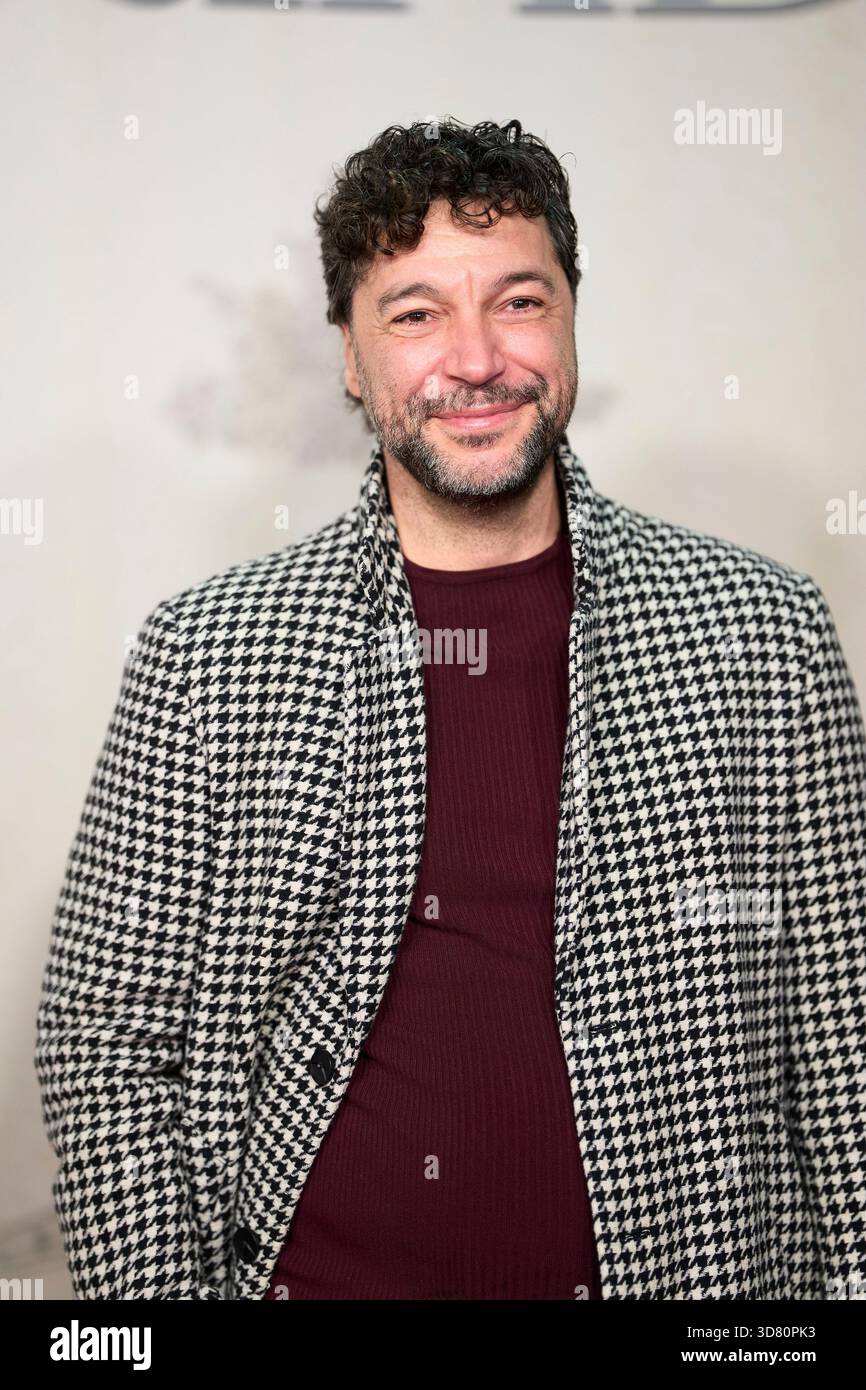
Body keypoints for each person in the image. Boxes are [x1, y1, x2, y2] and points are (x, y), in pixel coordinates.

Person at [34, 117, 865, 1301]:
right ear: (350, 356)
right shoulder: (206, 654)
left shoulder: (759, 631)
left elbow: (844, 1035)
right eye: (414, 313)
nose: (474, 359)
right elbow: (107, 1044)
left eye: (516, 301)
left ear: (571, 313)